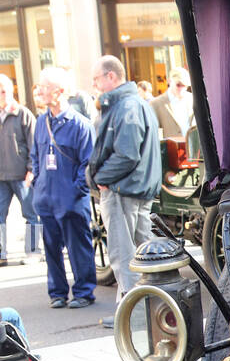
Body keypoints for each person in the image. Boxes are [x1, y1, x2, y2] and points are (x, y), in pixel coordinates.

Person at [90, 54, 160, 328]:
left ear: (111, 76)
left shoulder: (126, 107)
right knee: (143, 252)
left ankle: (133, 314)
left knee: (123, 254)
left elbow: (127, 154)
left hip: (123, 190)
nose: (94, 85)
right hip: (134, 189)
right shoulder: (135, 104)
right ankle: (144, 309)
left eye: (96, 78)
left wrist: (102, 178)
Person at [31, 66, 96, 308]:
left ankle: (83, 292)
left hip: (70, 199)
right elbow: (35, 155)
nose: (39, 91)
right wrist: (38, 183)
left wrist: (75, 190)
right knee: (51, 249)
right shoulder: (40, 122)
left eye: (44, 87)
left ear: (59, 91)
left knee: (78, 247)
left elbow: (88, 164)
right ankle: (57, 293)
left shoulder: (80, 125)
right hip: (46, 198)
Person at [0, 74, 39, 262]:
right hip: (1, 176)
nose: (1, 95)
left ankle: (33, 252)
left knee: (30, 214)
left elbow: (34, 143)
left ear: (11, 91)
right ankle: (1, 254)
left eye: (3, 91)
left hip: (23, 175)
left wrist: (32, 169)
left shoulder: (23, 114)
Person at [150, 67, 194, 138]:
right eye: (178, 85)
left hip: (192, 147)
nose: (182, 88)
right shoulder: (156, 104)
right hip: (170, 147)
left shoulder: (192, 99)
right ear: (169, 81)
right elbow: (154, 134)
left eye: (185, 86)